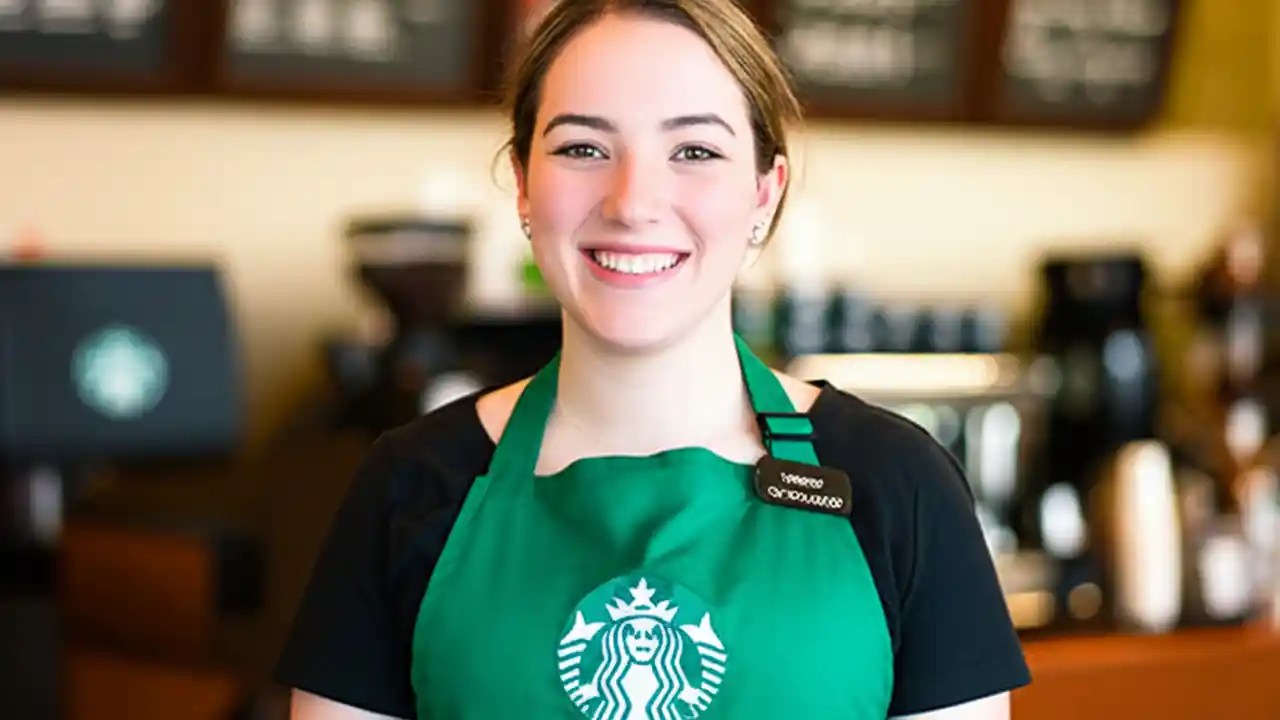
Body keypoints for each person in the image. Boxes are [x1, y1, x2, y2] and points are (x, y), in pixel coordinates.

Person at [275, 1, 1031, 718]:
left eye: (695, 151)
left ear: (764, 194)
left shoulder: (900, 485)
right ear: (524, 185)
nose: (633, 202)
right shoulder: (407, 486)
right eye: (582, 148)